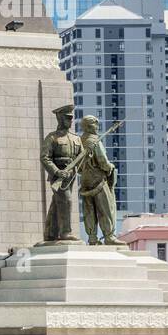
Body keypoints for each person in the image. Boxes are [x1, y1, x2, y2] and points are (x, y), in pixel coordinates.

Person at [40, 104, 83, 243]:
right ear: (60, 118)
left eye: (71, 118)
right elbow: (45, 157)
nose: (70, 121)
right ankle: (65, 233)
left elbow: (81, 157)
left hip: (71, 176)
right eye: (67, 118)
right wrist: (57, 171)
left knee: (58, 203)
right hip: (58, 175)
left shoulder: (76, 138)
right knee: (66, 201)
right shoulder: (52, 137)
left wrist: (87, 154)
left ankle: (50, 234)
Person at [79, 115, 118, 245]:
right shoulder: (95, 141)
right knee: (105, 209)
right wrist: (110, 168)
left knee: (89, 211)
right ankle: (109, 236)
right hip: (99, 181)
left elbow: (77, 166)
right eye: (96, 124)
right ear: (90, 126)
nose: (97, 127)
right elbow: (103, 161)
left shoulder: (78, 142)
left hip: (85, 182)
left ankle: (92, 237)